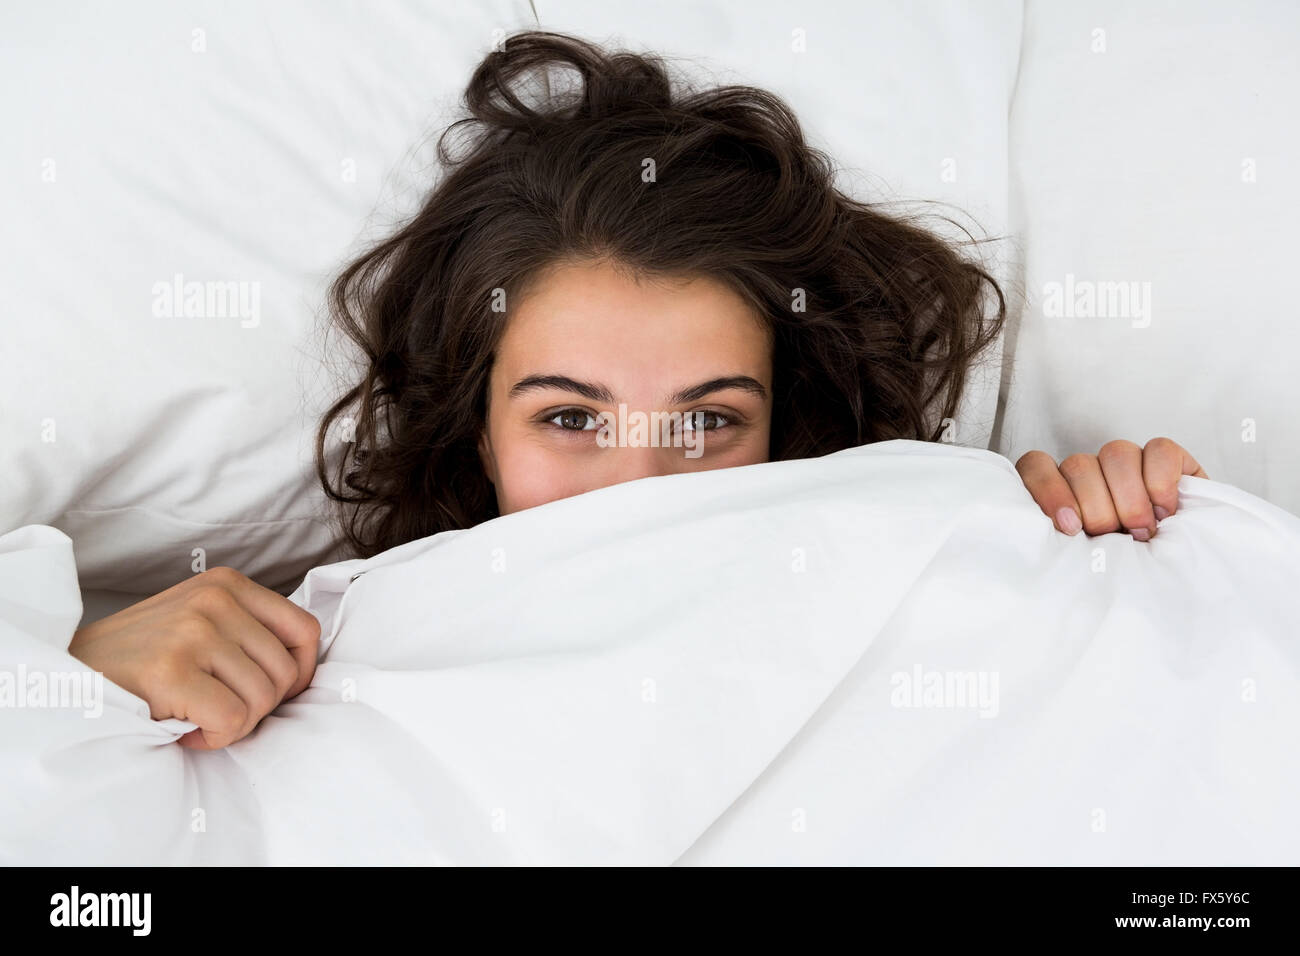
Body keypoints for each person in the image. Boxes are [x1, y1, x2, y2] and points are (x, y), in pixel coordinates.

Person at [67, 31, 1209, 751]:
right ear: (474, 431)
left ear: (784, 428)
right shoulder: (310, 655)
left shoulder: (922, 574)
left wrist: (1098, 549)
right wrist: (81, 686)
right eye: (570, 417)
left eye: (709, 420)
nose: (640, 486)